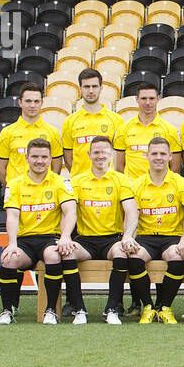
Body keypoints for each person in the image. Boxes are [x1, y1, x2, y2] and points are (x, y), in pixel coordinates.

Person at [0, 139, 80, 325]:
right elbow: (12, 216)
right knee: (8, 259)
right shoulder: (15, 184)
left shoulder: (60, 182)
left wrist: (65, 237)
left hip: (50, 238)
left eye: (43, 157)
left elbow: (70, 211)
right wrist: (12, 244)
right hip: (24, 241)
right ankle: (7, 311)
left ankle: (50, 310)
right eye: (35, 156)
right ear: (27, 158)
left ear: (50, 159)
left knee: (53, 256)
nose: (39, 161)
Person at [65, 134, 139, 325]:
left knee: (122, 253)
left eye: (104, 152)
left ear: (112, 154)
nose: (100, 156)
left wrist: (128, 236)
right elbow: (68, 213)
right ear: (88, 154)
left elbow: (131, 212)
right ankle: (79, 310)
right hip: (85, 239)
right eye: (96, 152)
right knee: (66, 254)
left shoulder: (121, 180)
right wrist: (65, 237)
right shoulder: (77, 181)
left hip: (112, 239)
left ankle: (112, 309)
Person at [129, 137, 184, 324]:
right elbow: (131, 216)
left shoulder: (180, 183)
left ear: (170, 156)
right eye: (154, 153)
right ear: (146, 156)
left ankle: (164, 307)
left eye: (163, 154)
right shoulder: (136, 184)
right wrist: (129, 236)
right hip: (146, 237)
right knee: (134, 257)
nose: (158, 157)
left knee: (178, 256)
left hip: (172, 237)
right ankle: (148, 307)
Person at [0, 83, 63, 184]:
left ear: (42, 103)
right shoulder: (7, 132)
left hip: (43, 193)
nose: (32, 105)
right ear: (20, 103)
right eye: (28, 101)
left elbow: (56, 168)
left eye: (36, 101)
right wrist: (13, 188)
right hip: (16, 195)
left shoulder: (52, 132)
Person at [60, 68, 123, 173]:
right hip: (79, 184)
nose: (90, 91)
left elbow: (119, 156)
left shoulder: (116, 120)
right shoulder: (69, 121)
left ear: (101, 88)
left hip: (107, 183)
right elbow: (68, 159)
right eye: (86, 87)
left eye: (94, 86)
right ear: (80, 89)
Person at [114, 82, 181, 179]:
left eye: (151, 98)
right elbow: (119, 166)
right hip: (133, 188)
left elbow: (175, 167)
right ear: (136, 99)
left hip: (159, 189)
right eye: (143, 98)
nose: (148, 103)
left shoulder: (170, 130)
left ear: (158, 99)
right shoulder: (123, 129)